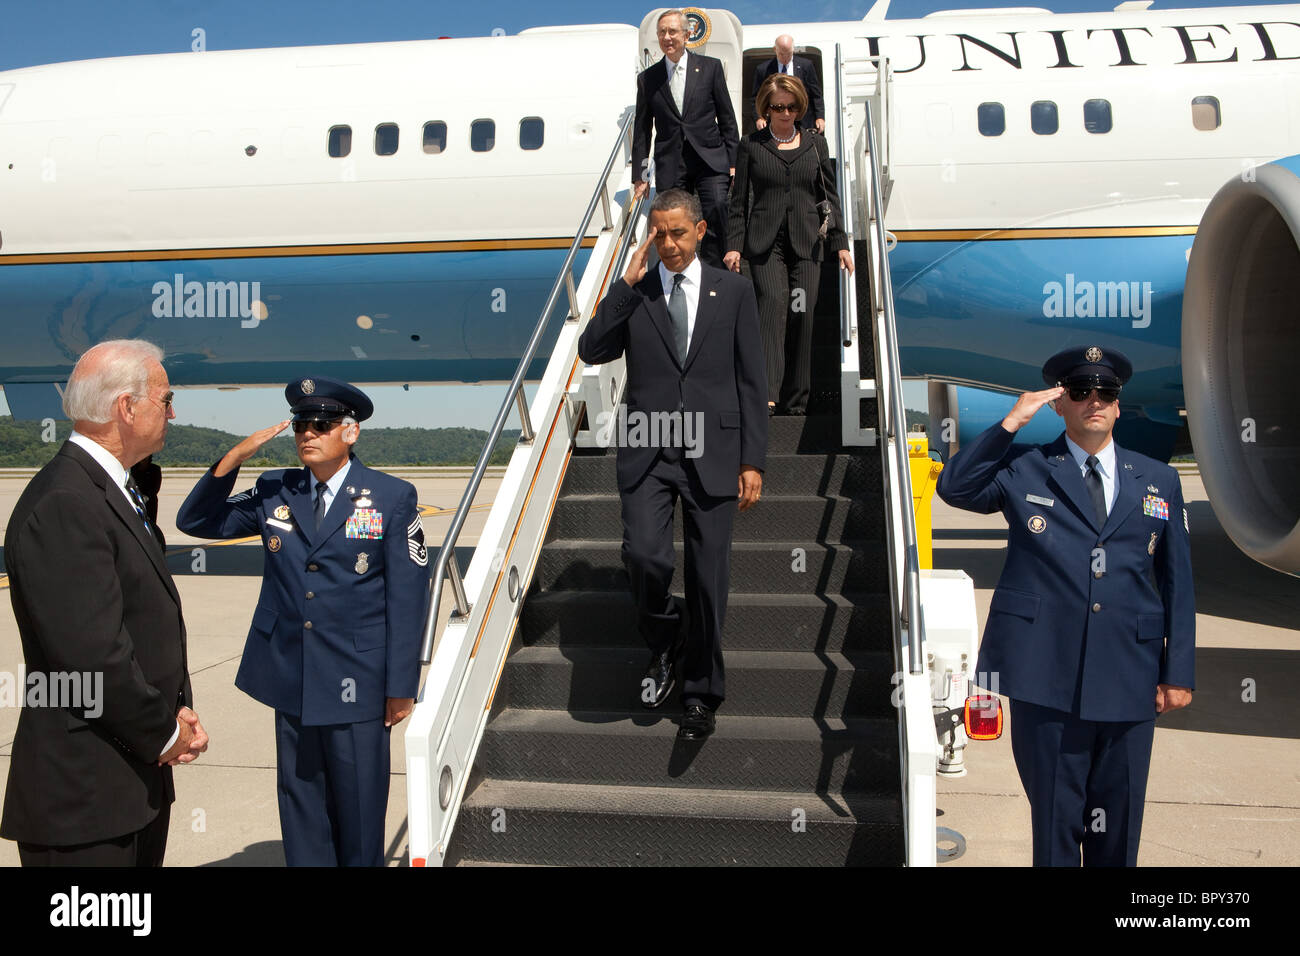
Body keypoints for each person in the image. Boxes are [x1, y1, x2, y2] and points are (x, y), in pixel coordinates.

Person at [936, 345, 1195, 866]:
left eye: (1106, 393)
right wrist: (1010, 422)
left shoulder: (1159, 479)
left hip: (1130, 674)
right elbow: (955, 486)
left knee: (1118, 828)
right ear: (1060, 404)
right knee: (1055, 823)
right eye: (1079, 392)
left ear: (1119, 405)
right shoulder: (1026, 469)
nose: (1094, 401)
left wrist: (1178, 671)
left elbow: (1177, 582)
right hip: (1047, 676)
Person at [176, 377, 429, 865]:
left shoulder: (390, 496)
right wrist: (234, 459)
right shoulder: (276, 488)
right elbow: (198, 523)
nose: (307, 434)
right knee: (300, 803)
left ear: (350, 433)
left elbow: (407, 595)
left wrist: (402, 684)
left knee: (358, 807)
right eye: (299, 425)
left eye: (321, 424)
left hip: (359, 678)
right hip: (290, 675)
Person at [2, 339, 206, 866]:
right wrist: (165, 732)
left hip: (127, 780)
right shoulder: (67, 502)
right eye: (165, 398)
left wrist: (174, 712)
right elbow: (92, 656)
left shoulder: (109, 488)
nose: (172, 411)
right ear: (126, 407)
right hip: (85, 799)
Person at [578, 188, 767, 740]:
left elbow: (752, 381)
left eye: (678, 232)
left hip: (715, 450)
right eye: (658, 233)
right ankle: (665, 636)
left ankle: (701, 694)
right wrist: (623, 287)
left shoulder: (732, 291)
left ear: (701, 231)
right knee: (644, 556)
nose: (668, 243)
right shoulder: (637, 294)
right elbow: (591, 350)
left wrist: (752, 459)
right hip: (649, 447)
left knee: (709, 580)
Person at [725, 73, 853, 416]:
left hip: (806, 242)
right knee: (772, 305)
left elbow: (829, 196)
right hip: (766, 243)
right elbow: (738, 201)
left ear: (800, 108)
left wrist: (840, 242)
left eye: (791, 107)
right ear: (766, 109)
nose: (785, 113)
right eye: (778, 107)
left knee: (803, 313)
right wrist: (734, 244)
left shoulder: (815, 145)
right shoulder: (751, 145)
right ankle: (767, 393)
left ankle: (797, 398)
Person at [632, 7, 739, 268]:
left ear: (686, 34)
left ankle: (713, 268)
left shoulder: (710, 68)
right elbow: (642, 130)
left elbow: (727, 118)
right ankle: (684, 269)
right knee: (674, 219)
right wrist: (640, 175)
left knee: (715, 206)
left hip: (709, 157)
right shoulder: (648, 79)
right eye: (662, 33)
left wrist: (733, 160)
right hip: (672, 161)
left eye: (672, 31)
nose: (667, 37)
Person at [751, 34, 825, 134]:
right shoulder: (763, 70)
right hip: (774, 123)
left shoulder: (806, 66)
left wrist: (820, 117)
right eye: (781, 54)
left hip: (803, 122)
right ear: (775, 49)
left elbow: (816, 95)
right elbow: (756, 97)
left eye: (789, 53)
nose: (785, 58)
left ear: (793, 49)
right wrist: (759, 117)